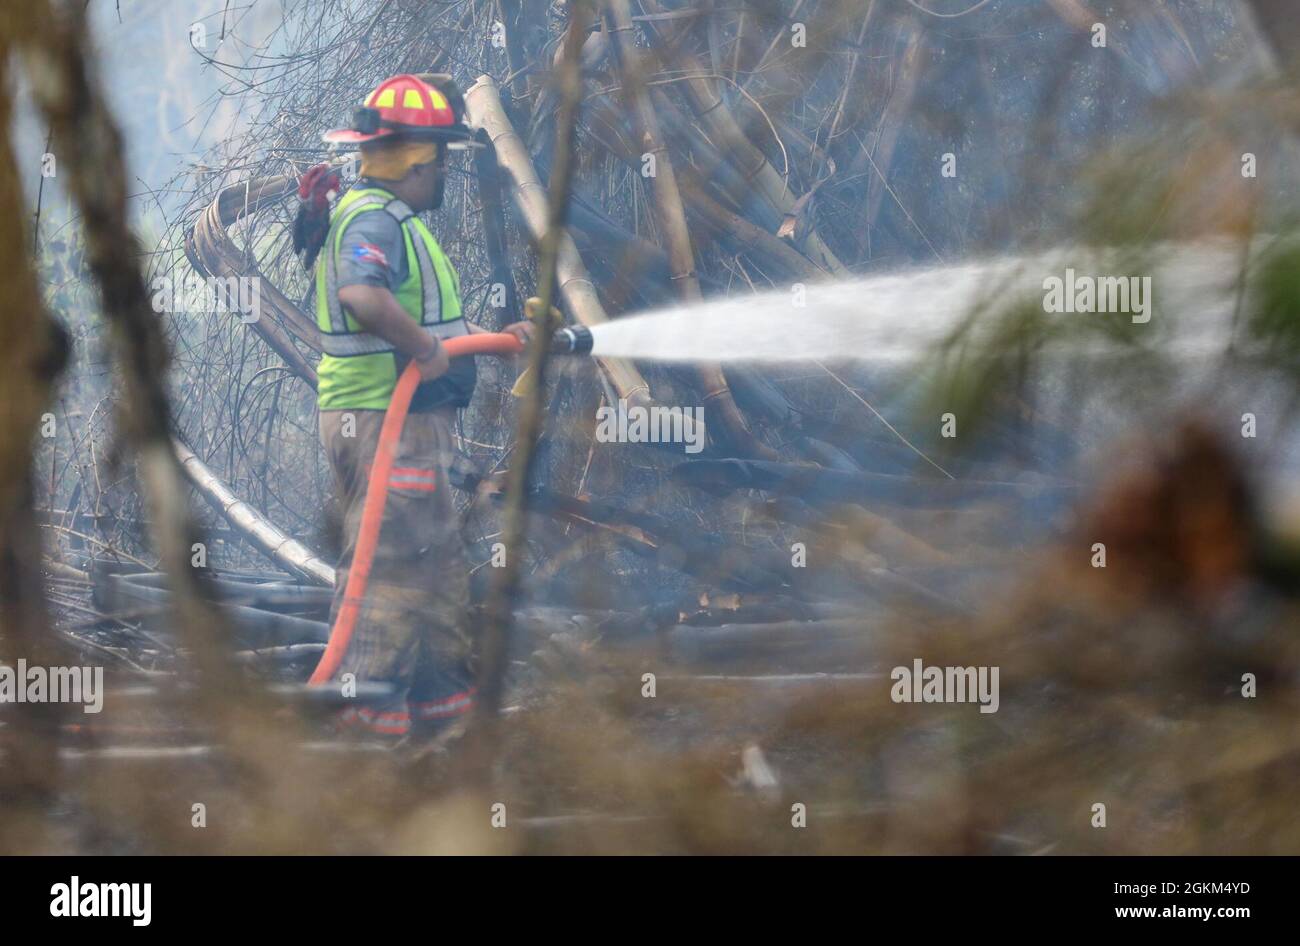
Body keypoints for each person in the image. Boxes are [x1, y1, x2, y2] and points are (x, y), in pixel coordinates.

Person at [309, 74, 532, 740]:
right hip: (386, 423)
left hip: (405, 425)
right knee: (393, 574)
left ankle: (445, 724)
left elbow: (432, 325)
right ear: (415, 160)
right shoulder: (376, 218)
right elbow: (363, 296)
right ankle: (362, 737)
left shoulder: (389, 217)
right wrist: (423, 352)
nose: (442, 176)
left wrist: (501, 341)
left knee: (432, 568)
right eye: (439, 160)